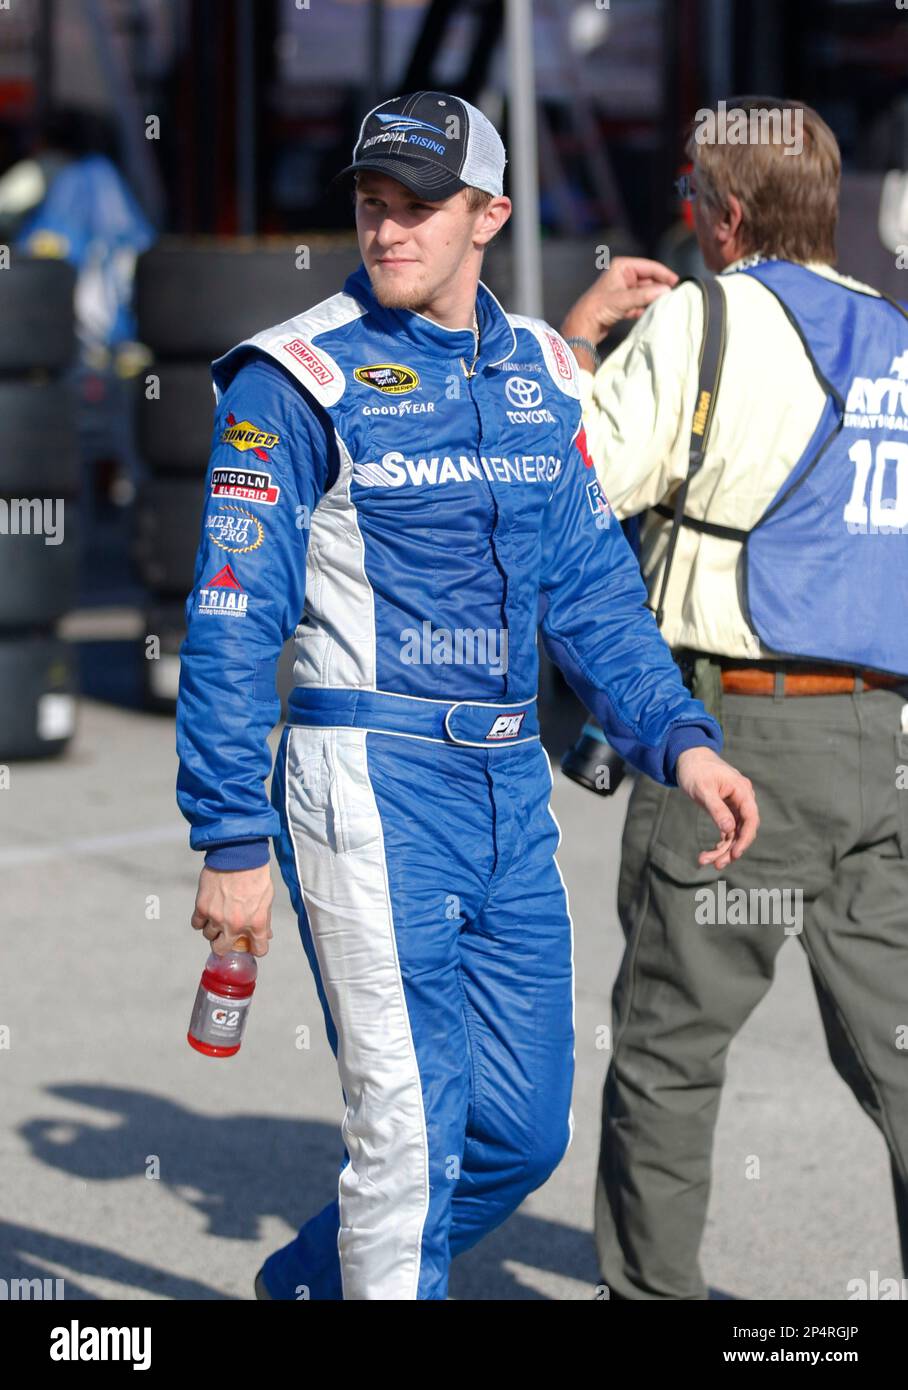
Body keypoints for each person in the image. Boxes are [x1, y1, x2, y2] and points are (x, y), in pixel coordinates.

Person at [174, 90, 758, 1302]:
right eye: (370, 205)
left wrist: (679, 741)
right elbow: (233, 625)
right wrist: (229, 835)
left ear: (488, 214)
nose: (387, 231)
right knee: (407, 1140)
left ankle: (306, 1288)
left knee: (520, 1133)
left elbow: (593, 592)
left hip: (504, 782)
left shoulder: (545, 368)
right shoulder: (291, 378)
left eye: (418, 208)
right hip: (366, 777)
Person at [561, 95, 908, 1300]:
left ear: (726, 213)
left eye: (690, 194)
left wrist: (575, 338)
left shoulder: (701, 320)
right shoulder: (892, 333)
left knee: (669, 1042)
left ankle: (652, 1299)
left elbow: (567, 480)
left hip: (740, 732)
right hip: (884, 733)